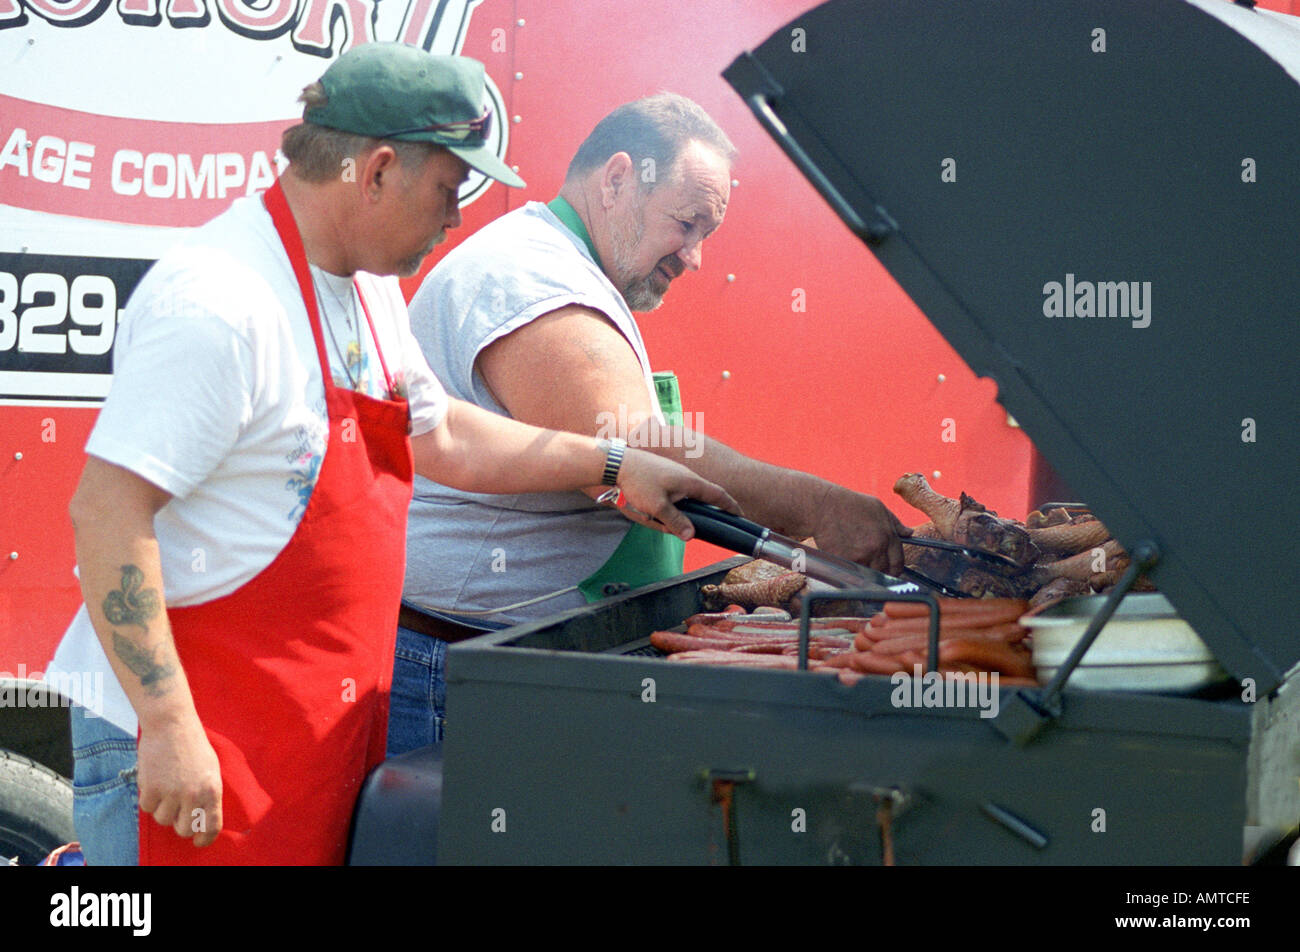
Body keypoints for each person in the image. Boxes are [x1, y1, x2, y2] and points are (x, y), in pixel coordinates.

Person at [49, 46, 735, 866]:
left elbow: (444, 437)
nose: (454, 219)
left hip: (302, 728)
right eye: (449, 190)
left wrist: (615, 464)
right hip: (194, 735)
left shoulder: (366, 289)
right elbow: (107, 512)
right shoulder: (221, 301)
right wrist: (165, 730)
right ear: (375, 170)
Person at [392, 93, 911, 754]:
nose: (693, 257)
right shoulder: (526, 278)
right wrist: (820, 506)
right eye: (687, 224)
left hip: (534, 662)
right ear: (616, 180)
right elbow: (637, 444)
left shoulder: (568, 269)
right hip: (470, 674)